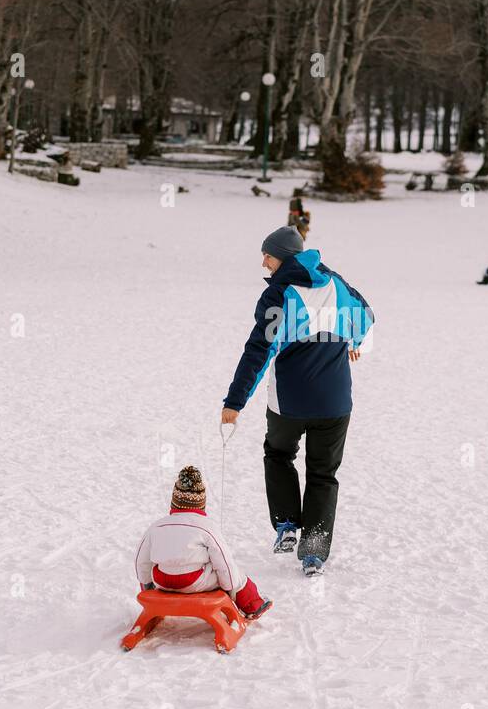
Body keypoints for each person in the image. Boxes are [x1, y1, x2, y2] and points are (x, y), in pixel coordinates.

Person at [221, 226, 374, 577]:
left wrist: (235, 401)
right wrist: (354, 341)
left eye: (268, 255)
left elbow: (258, 351)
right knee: (323, 473)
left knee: (278, 454)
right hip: (335, 403)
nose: (264, 261)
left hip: (289, 402)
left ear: (284, 257)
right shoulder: (336, 284)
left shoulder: (280, 294)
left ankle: (288, 524)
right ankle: (314, 552)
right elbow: (366, 316)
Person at [133, 465, 271, 620]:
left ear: (174, 501)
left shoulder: (157, 526)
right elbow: (224, 561)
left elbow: (141, 560)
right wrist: (228, 588)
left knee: (159, 563)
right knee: (236, 573)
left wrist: (147, 586)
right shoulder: (206, 527)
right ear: (201, 503)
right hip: (194, 582)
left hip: (162, 581)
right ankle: (253, 605)